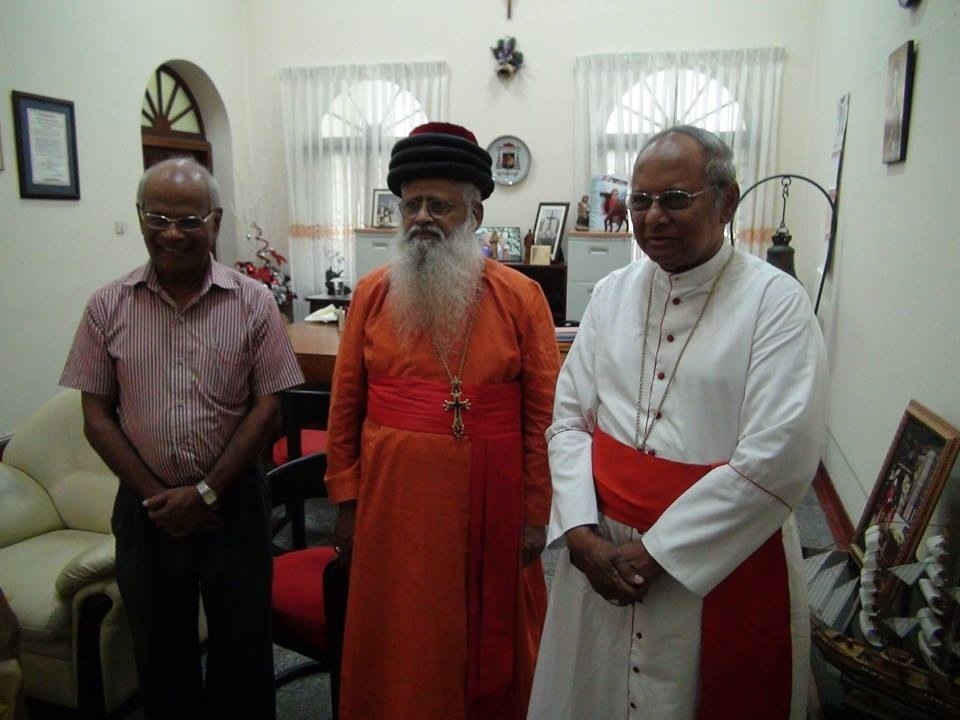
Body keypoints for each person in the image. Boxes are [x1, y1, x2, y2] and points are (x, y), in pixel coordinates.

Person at [527, 126, 828, 720]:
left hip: (718, 558)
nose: (653, 217)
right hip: (601, 550)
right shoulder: (612, 294)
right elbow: (567, 424)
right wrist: (580, 534)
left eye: (676, 199)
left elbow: (778, 460)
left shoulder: (776, 303)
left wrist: (659, 554)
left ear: (727, 200)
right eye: (640, 200)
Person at [325, 122, 559, 720]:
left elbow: (543, 420)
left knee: (486, 641)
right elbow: (345, 406)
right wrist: (346, 504)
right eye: (411, 205)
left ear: (475, 213)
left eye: (440, 205)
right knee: (400, 635)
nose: (422, 217)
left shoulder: (521, 297)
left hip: (491, 503)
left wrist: (537, 514)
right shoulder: (373, 294)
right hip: (392, 505)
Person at [60, 157, 304, 720]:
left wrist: (207, 494)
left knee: (243, 656)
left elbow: (269, 407)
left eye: (189, 220)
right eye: (158, 217)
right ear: (140, 217)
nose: (172, 232)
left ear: (214, 221)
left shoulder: (253, 302)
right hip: (147, 513)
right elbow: (96, 415)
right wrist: (160, 499)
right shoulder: (107, 306)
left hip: (234, 506)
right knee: (160, 656)